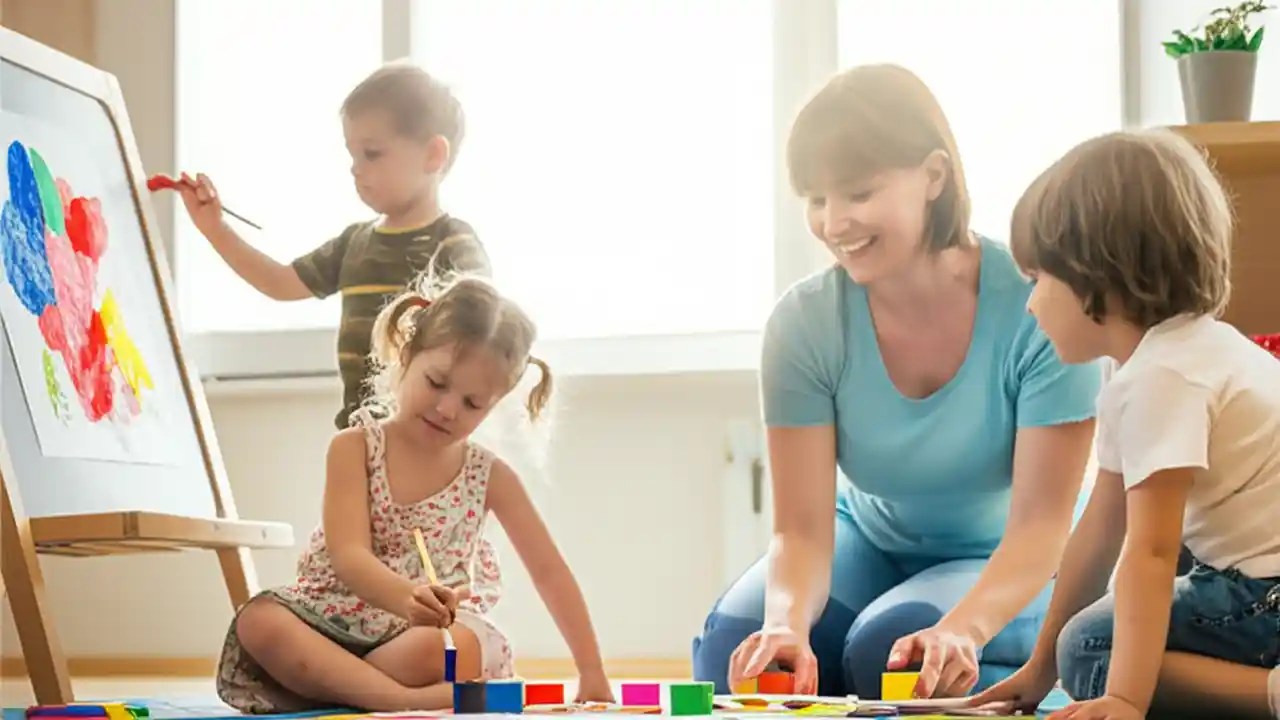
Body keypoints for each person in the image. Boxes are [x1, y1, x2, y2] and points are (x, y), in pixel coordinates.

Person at [690, 63, 1103, 700]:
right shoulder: (803, 327)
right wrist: (785, 623)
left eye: (858, 194)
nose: (834, 223)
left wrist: (963, 628)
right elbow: (800, 532)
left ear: (933, 176)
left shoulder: (1040, 308)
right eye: (817, 200)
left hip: (1010, 559)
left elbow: (1040, 530)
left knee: (901, 652)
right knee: (738, 648)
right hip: (870, 540)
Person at [970, 129, 1280, 719]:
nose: (1030, 305)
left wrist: (1125, 698)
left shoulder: (1163, 377)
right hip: (1256, 580)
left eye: (1038, 281)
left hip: (1269, 596)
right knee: (1085, 641)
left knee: (1092, 649)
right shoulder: (1153, 360)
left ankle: (1269, 695)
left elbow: (1151, 552)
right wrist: (1038, 671)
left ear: (1097, 276)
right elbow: (1102, 525)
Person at [214, 274, 613, 713]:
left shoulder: (490, 475)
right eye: (437, 382)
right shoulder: (354, 448)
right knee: (259, 622)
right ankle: (398, 699)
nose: (447, 409)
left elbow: (550, 572)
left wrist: (592, 672)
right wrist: (407, 597)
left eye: (472, 403)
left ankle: (341, 688)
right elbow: (349, 555)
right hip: (332, 621)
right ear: (407, 356)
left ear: (493, 405)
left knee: (441, 649)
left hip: (419, 640)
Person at [177, 60, 491, 429]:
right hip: (359, 432)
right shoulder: (354, 244)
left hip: (430, 433)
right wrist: (214, 228)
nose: (356, 168)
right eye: (352, 154)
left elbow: (483, 333)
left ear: (433, 155)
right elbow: (279, 282)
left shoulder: (453, 243)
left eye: (371, 153)